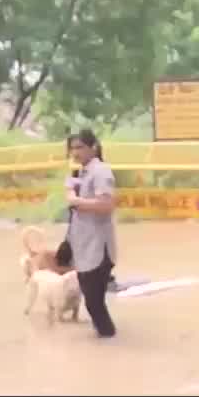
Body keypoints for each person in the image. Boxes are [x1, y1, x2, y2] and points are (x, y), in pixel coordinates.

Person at [65, 129, 119, 338]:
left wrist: (77, 202)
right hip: (84, 245)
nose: (75, 152)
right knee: (93, 302)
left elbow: (107, 205)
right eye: (72, 148)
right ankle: (106, 339)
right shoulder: (82, 172)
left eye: (79, 147)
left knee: (94, 303)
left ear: (93, 147)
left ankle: (109, 342)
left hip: (99, 247)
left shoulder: (101, 171)